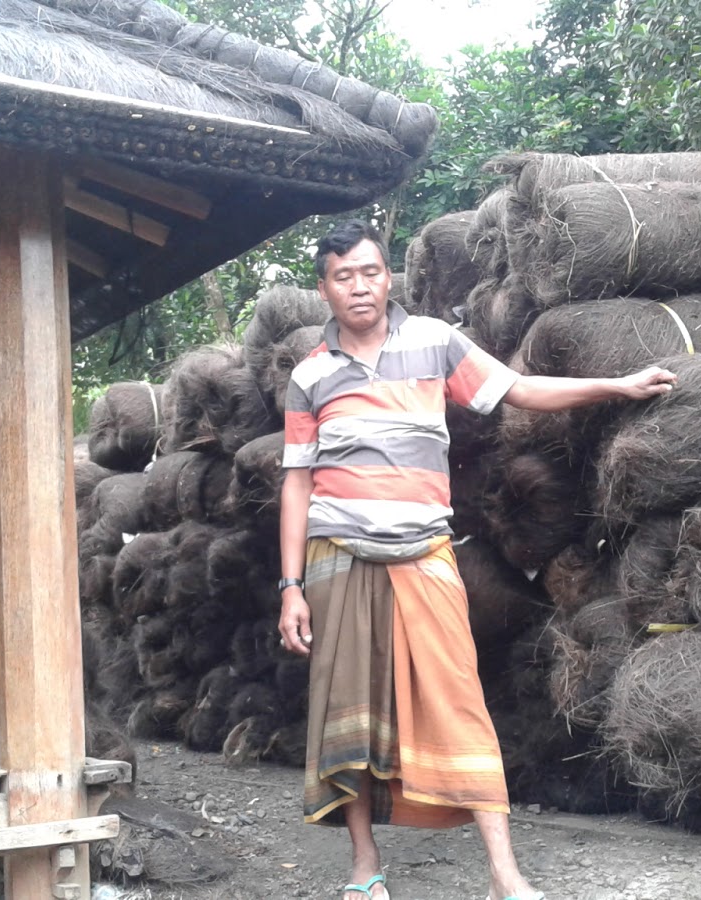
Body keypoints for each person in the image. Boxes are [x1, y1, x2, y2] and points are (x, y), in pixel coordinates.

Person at [278, 220, 676, 900]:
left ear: (387, 277)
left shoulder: (434, 342)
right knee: (349, 707)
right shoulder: (310, 375)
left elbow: (519, 391)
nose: (360, 287)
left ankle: (504, 875)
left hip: (424, 550)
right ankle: (364, 868)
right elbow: (297, 481)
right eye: (344, 277)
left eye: (370, 272)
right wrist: (290, 586)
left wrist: (615, 385)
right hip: (336, 555)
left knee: (458, 696)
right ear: (325, 288)